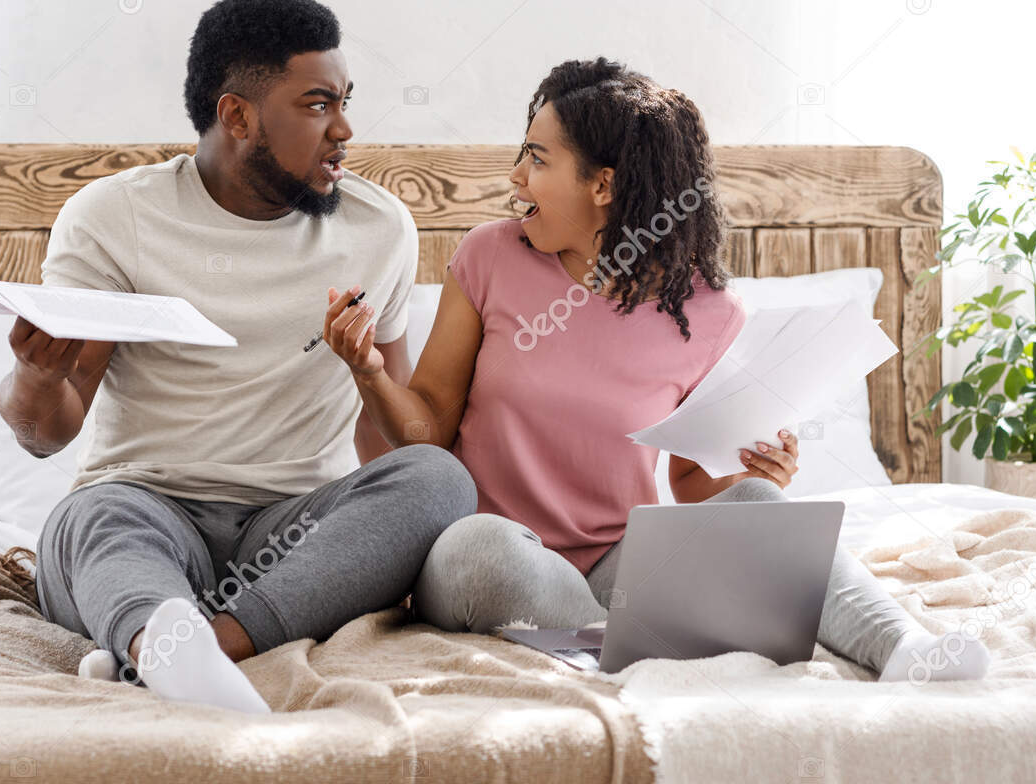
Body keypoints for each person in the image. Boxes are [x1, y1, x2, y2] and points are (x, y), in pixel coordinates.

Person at [321, 58, 987, 683]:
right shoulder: (489, 257)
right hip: (488, 556)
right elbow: (428, 427)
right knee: (479, 547)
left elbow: (691, 482)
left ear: (602, 184)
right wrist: (371, 372)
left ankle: (899, 644)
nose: (517, 177)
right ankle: (636, 644)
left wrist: (750, 467)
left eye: (538, 157)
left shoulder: (706, 311)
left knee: (761, 505)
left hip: (619, 566)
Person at [0, 0, 475, 714]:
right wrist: (37, 374)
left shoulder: (380, 226)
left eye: (345, 101)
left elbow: (391, 441)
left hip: (292, 532)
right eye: (318, 105)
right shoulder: (114, 218)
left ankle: (192, 651)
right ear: (237, 115)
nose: (345, 128)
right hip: (148, 507)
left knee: (438, 478)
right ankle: (169, 634)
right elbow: (46, 435)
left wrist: (372, 386)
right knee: (86, 520)